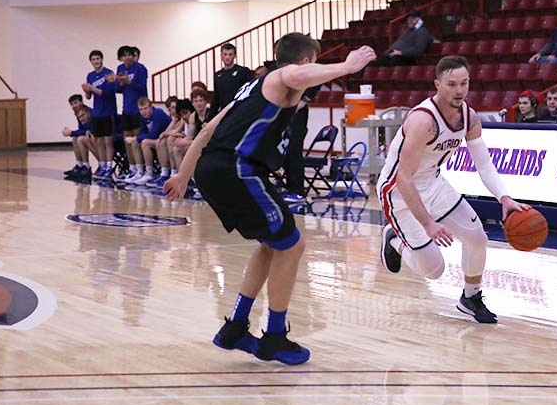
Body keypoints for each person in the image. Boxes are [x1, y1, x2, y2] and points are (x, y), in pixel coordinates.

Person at [164, 35, 377, 365]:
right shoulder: (282, 77)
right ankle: (274, 336)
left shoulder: (249, 88)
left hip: (214, 169)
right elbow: (295, 75)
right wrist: (348, 66)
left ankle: (235, 326)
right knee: (292, 245)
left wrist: (183, 174)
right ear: (306, 62)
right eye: (312, 65)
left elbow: (206, 131)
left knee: (272, 244)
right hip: (238, 170)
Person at [377, 55, 530, 324]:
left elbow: (484, 164)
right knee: (434, 270)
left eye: (464, 83)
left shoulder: (469, 117)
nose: (459, 91)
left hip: (434, 184)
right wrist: (428, 224)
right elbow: (403, 178)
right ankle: (394, 240)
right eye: (451, 84)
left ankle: (470, 297)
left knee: (477, 237)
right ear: (437, 84)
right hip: (399, 193)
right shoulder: (423, 121)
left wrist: (503, 197)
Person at [82, 49, 118, 181]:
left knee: (108, 140)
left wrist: (92, 88)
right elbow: (89, 96)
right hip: (97, 112)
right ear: (90, 61)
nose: (96, 61)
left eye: (98, 58)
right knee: (98, 141)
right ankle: (102, 166)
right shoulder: (90, 76)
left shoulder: (108, 73)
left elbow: (106, 93)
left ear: (101, 59)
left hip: (108, 111)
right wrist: (86, 91)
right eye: (93, 59)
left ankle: (109, 167)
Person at [115, 46, 149, 181]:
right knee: (127, 141)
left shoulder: (140, 68)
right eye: (124, 55)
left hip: (137, 109)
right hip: (126, 109)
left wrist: (129, 82)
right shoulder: (120, 69)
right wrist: (122, 83)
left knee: (136, 141)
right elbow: (117, 89)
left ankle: (141, 170)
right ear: (121, 58)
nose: (127, 57)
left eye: (129, 54)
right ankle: (132, 168)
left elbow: (142, 88)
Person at [131, 97, 172, 185]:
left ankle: (150, 173)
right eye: (141, 109)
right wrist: (137, 139)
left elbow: (154, 134)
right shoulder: (142, 117)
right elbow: (143, 132)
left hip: (164, 138)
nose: (143, 112)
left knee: (144, 142)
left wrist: (136, 138)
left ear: (150, 107)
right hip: (157, 139)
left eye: (145, 108)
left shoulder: (158, 113)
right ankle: (140, 172)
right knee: (135, 143)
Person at [209, 43, 253, 119]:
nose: (227, 57)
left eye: (230, 54)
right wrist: (209, 119)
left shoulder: (243, 71)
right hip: (224, 113)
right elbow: (216, 98)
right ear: (221, 56)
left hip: (239, 112)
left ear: (234, 56)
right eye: (225, 54)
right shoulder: (217, 75)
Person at [63, 94, 93, 179]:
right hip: (89, 134)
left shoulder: (88, 112)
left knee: (79, 139)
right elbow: (82, 130)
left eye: (76, 103)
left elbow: (89, 129)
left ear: (82, 102)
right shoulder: (77, 113)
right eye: (72, 104)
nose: (74, 106)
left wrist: (71, 132)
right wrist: (72, 133)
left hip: (96, 136)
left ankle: (86, 166)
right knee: (75, 138)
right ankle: (79, 165)